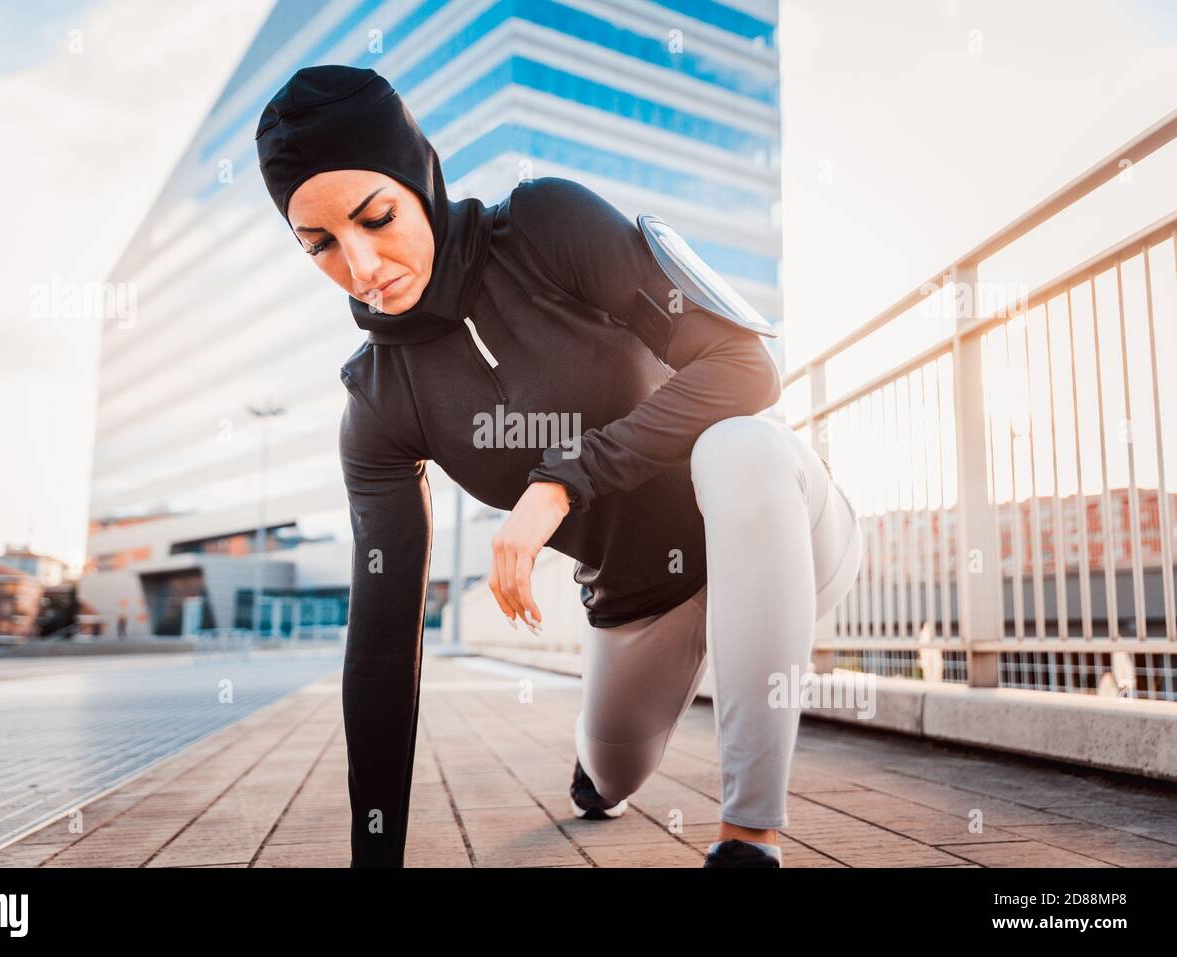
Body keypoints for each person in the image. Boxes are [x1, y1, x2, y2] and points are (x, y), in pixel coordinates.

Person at [255, 65, 862, 868]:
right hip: (644, 601)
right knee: (607, 777)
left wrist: (563, 476)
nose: (362, 266)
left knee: (742, 445)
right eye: (323, 244)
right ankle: (598, 771)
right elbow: (380, 641)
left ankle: (749, 840)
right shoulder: (376, 403)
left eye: (377, 217)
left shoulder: (546, 225)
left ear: (420, 177)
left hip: (779, 529)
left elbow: (744, 368)